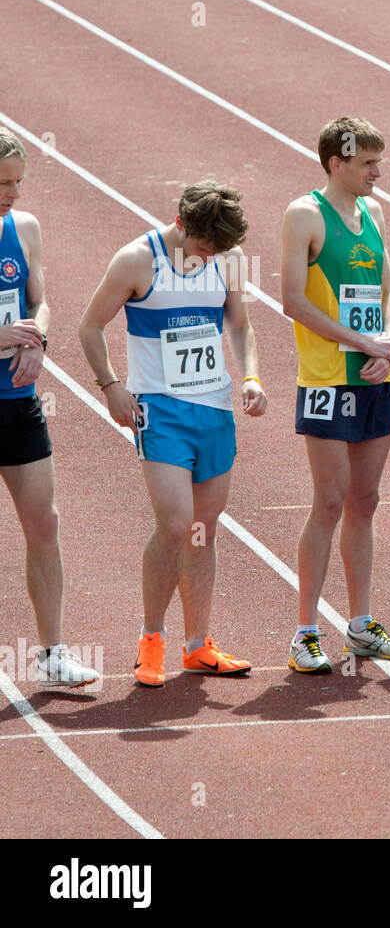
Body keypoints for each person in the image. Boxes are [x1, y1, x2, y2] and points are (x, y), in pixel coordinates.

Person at [79, 181, 266, 687]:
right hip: (159, 411)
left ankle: (197, 645)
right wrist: (110, 387)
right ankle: (151, 641)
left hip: (214, 409)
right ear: (182, 225)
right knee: (176, 524)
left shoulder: (228, 258)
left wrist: (250, 375)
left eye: (218, 252)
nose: (209, 259)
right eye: (204, 249)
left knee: (204, 529)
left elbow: (241, 325)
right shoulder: (137, 260)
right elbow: (90, 326)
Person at [280, 117, 390, 673]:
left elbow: (389, 289)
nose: (378, 174)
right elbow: (292, 300)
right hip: (326, 379)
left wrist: (384, 349)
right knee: (329, 502)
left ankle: (360, 627)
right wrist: (363, 342)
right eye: (367, 164)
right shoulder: (304, 215)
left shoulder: (375, 213)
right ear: (337, 163)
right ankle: (305, 631)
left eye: (379, 163)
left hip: (371, 378)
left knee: (366, 502)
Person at [0, 128, 99, 689]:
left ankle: (52, 654)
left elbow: (40, 299)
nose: (12, 193)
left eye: (18, 181)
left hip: (17, 403)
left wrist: (37, 337)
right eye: (2, 183)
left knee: (45, 523)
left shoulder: (24, 227)